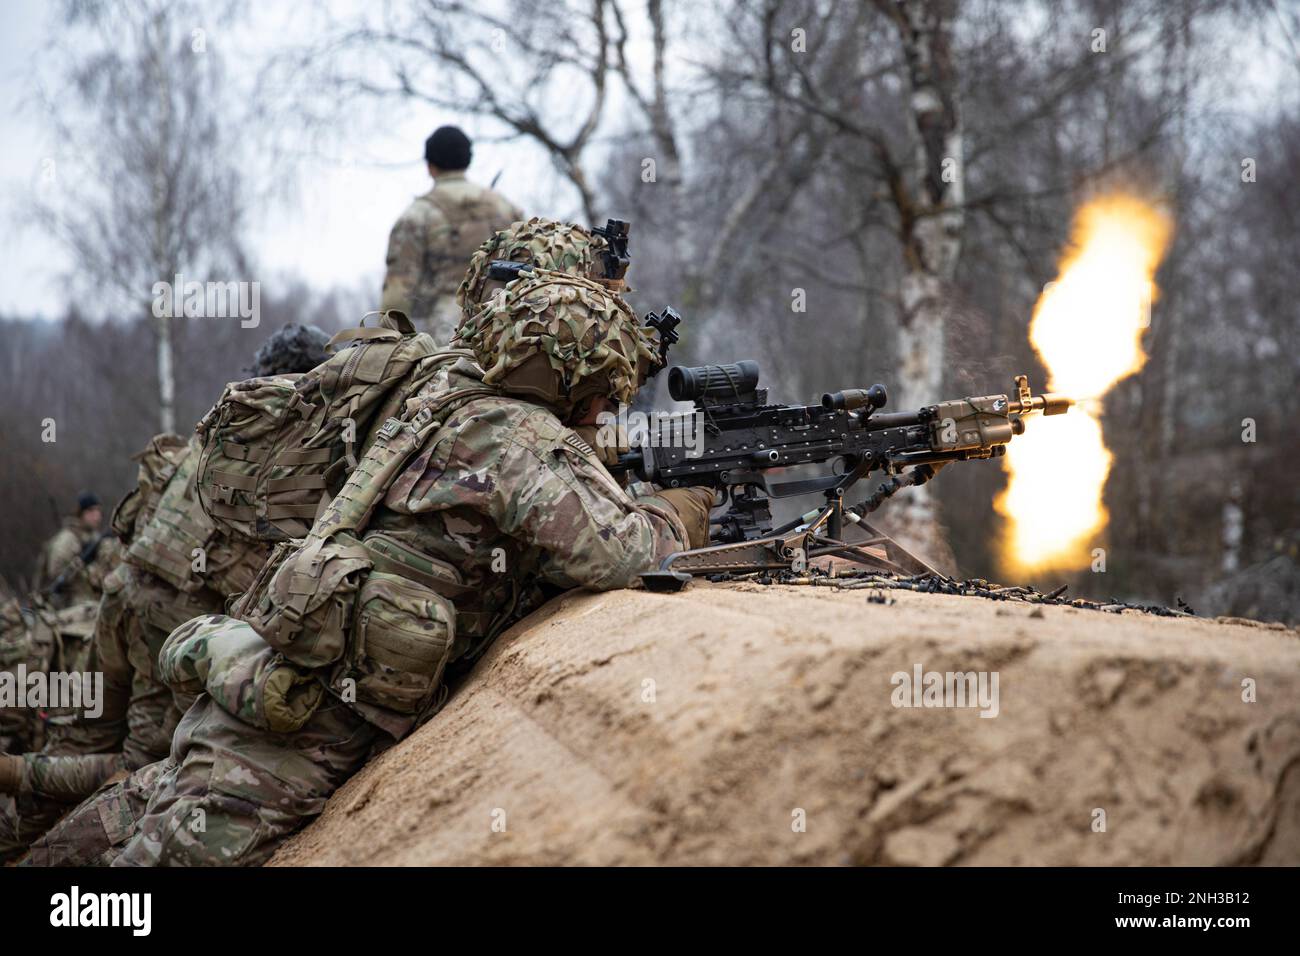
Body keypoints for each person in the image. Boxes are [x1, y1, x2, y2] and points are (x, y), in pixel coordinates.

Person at [25, 260, 713, 867]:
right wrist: (686, 500)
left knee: (132, 813)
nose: (604, 408)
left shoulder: (442, 391)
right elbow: (628, 554)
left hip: (273, 674)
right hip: (302, 723)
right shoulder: (516, 437)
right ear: (574, 379)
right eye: (601, 391)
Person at [0, 325, 332, 862]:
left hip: (127, 591)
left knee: (80, 739)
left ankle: (16, 825)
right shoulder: (304, 430)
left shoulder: (227, 415)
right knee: (143, 773)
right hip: (179, 621)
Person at [381, 125, 523, 342]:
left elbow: (397, 297)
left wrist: (386, 345)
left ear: (430, 166)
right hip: (507, 327)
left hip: (449, 332)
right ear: (468, 161)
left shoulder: (417, 215)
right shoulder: (506, 207)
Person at [32, 492, 110, 609]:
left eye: (98, 511)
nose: (97, 516)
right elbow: (56, 572)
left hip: (90, 599)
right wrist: (83, 571)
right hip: (69, 603)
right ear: (81, 513)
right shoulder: (67, 539)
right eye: (91, 511)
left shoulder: (94, 537)